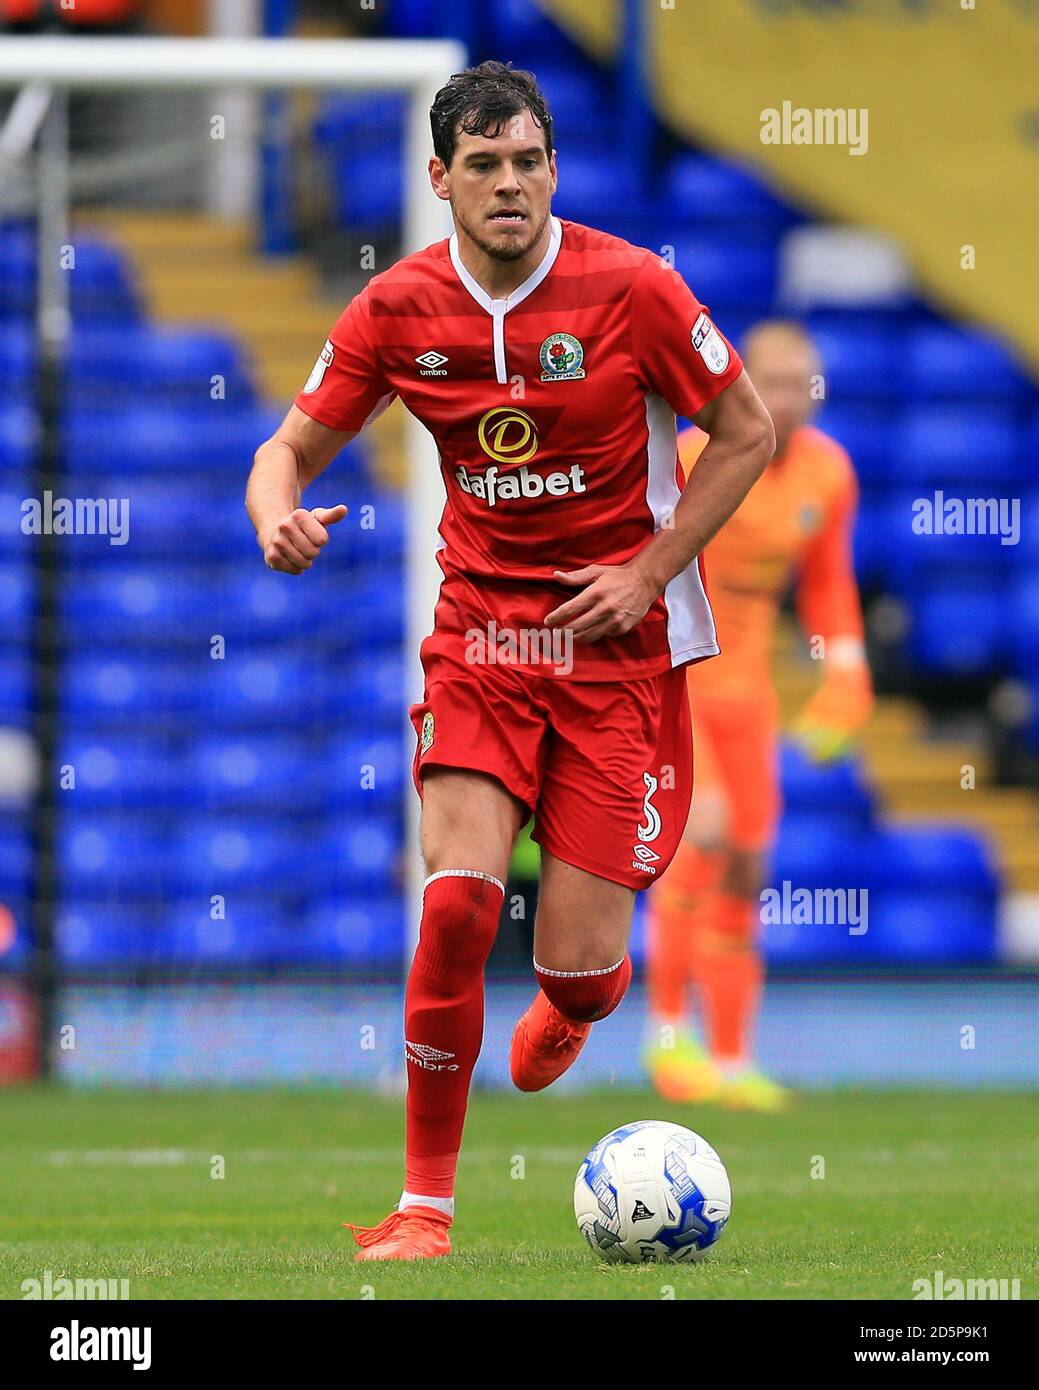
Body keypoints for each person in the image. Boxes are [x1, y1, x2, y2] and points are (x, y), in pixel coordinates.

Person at [245, 61, 774, 1260]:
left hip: (622, 649)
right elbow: (284, 450)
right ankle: (424, 1207)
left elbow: (748, 433)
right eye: (483, 165)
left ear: (552, 170)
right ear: (439, 177)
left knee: (581, 971)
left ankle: (576, 1002)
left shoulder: (632, 288)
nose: (509, 184)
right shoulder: (396, 309)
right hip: (483, 637)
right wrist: (274, 512)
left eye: (529, 161)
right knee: (456, 901)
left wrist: (649, 568)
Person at [644, 321, 873, 1112]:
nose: (787, 399)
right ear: (741, 382)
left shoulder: (827, 476)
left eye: (801, 385)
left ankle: (732, 1058)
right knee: (699, 830)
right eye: (771, 382)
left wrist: (845, 671)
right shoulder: (692, 456)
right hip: (680, 672)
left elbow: (827, 588)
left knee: (746, 861)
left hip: (749, 689)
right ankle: (666, 1034)